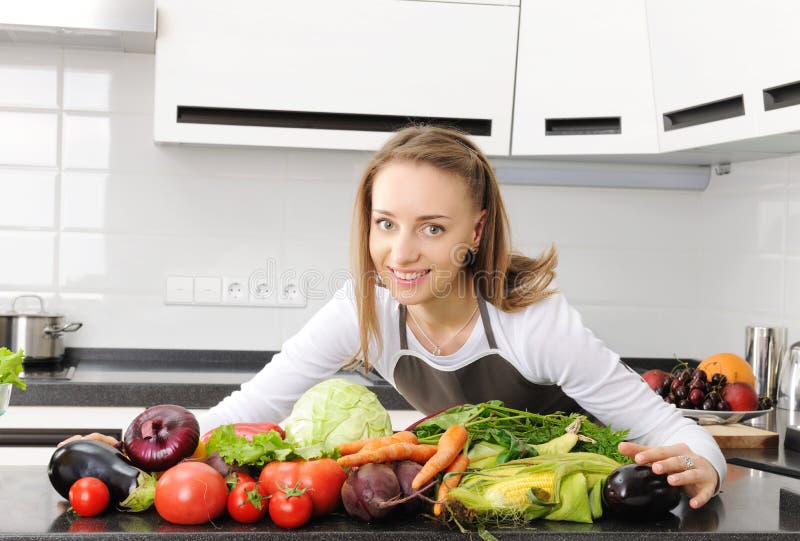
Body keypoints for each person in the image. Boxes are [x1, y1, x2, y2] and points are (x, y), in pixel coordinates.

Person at [70, 125, 725, 508]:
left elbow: (680, 434)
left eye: (431, 227)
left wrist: (705, 467)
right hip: (459, 503)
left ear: (476, 230)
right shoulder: (367, 307)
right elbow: (252, 405)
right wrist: (139, 446)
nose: (400, 252)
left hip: (552, 506)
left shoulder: (536, 324)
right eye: (386, 223)